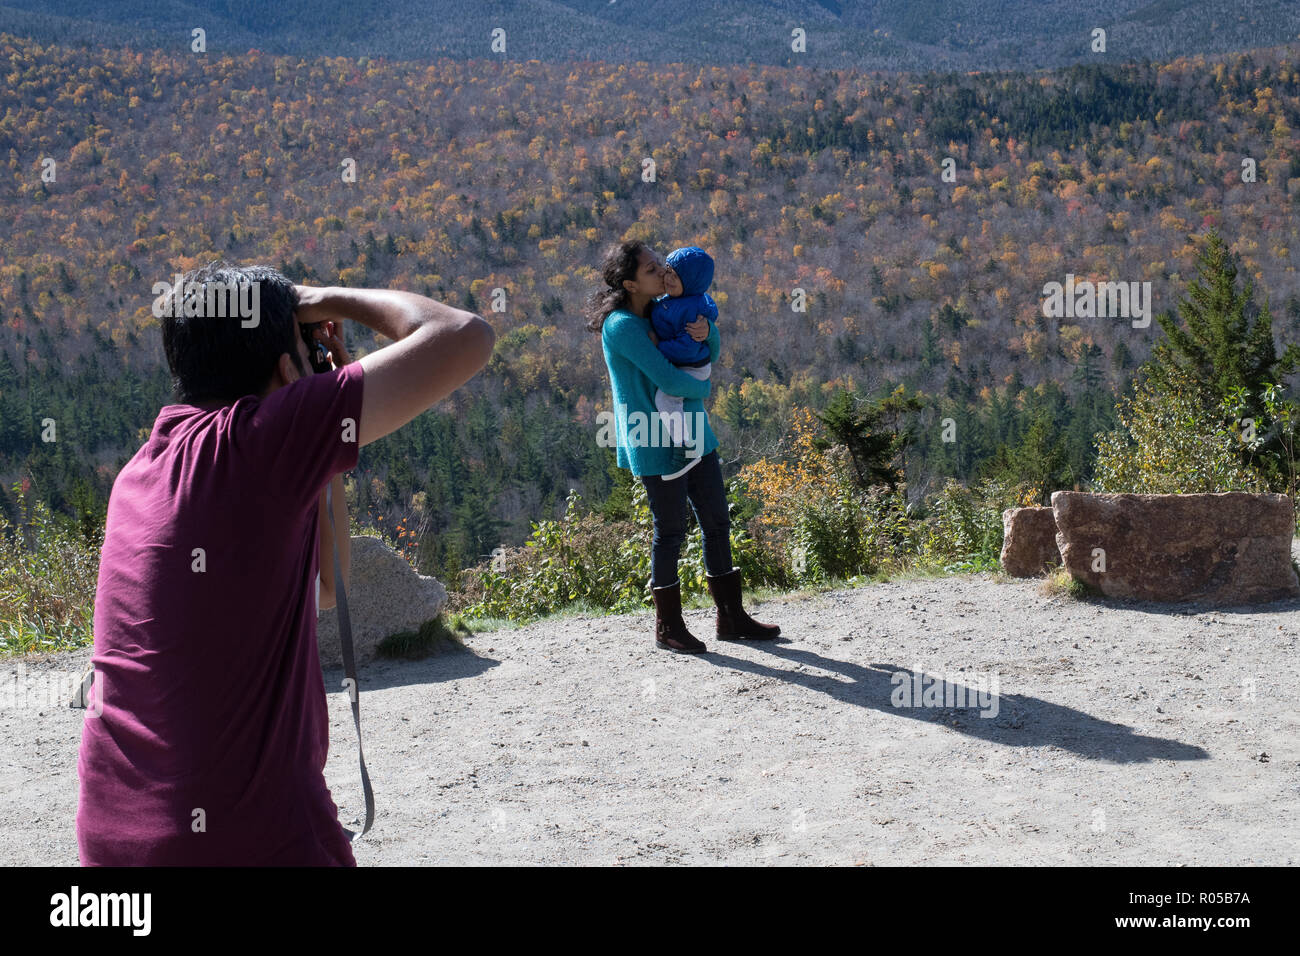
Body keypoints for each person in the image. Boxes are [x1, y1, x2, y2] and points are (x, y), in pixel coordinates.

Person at [76, 262, 494, 865]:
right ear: (283, 365)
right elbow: (464, 335)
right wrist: (326, 299)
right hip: (243, 833)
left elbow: (330, 585)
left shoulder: (143, 468)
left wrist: (326, 424)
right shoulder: (258, 440)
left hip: (114, 832)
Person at [587, 240, 779, 654]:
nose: (663, 272)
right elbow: (670, 379)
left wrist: (709, 333)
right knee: (670, 531)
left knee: (717, 521)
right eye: (652, 269)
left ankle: (731, 617)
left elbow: (709, 345)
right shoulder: (621, 326)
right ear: (630, 284)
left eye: (661, 265)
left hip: (694, 430)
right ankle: (668, 627)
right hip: (654, 439)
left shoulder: (662, 310)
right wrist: (706, 386)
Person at [650, 245, 718, 477]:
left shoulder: (692, 311)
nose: (668, 278)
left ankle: (684, 447)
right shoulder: (675, 300)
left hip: (693, 366)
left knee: (666, 399)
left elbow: (687, 349)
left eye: (675, 276)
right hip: (689, 363)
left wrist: (658, 346)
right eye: (668, 270)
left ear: (690, 283)